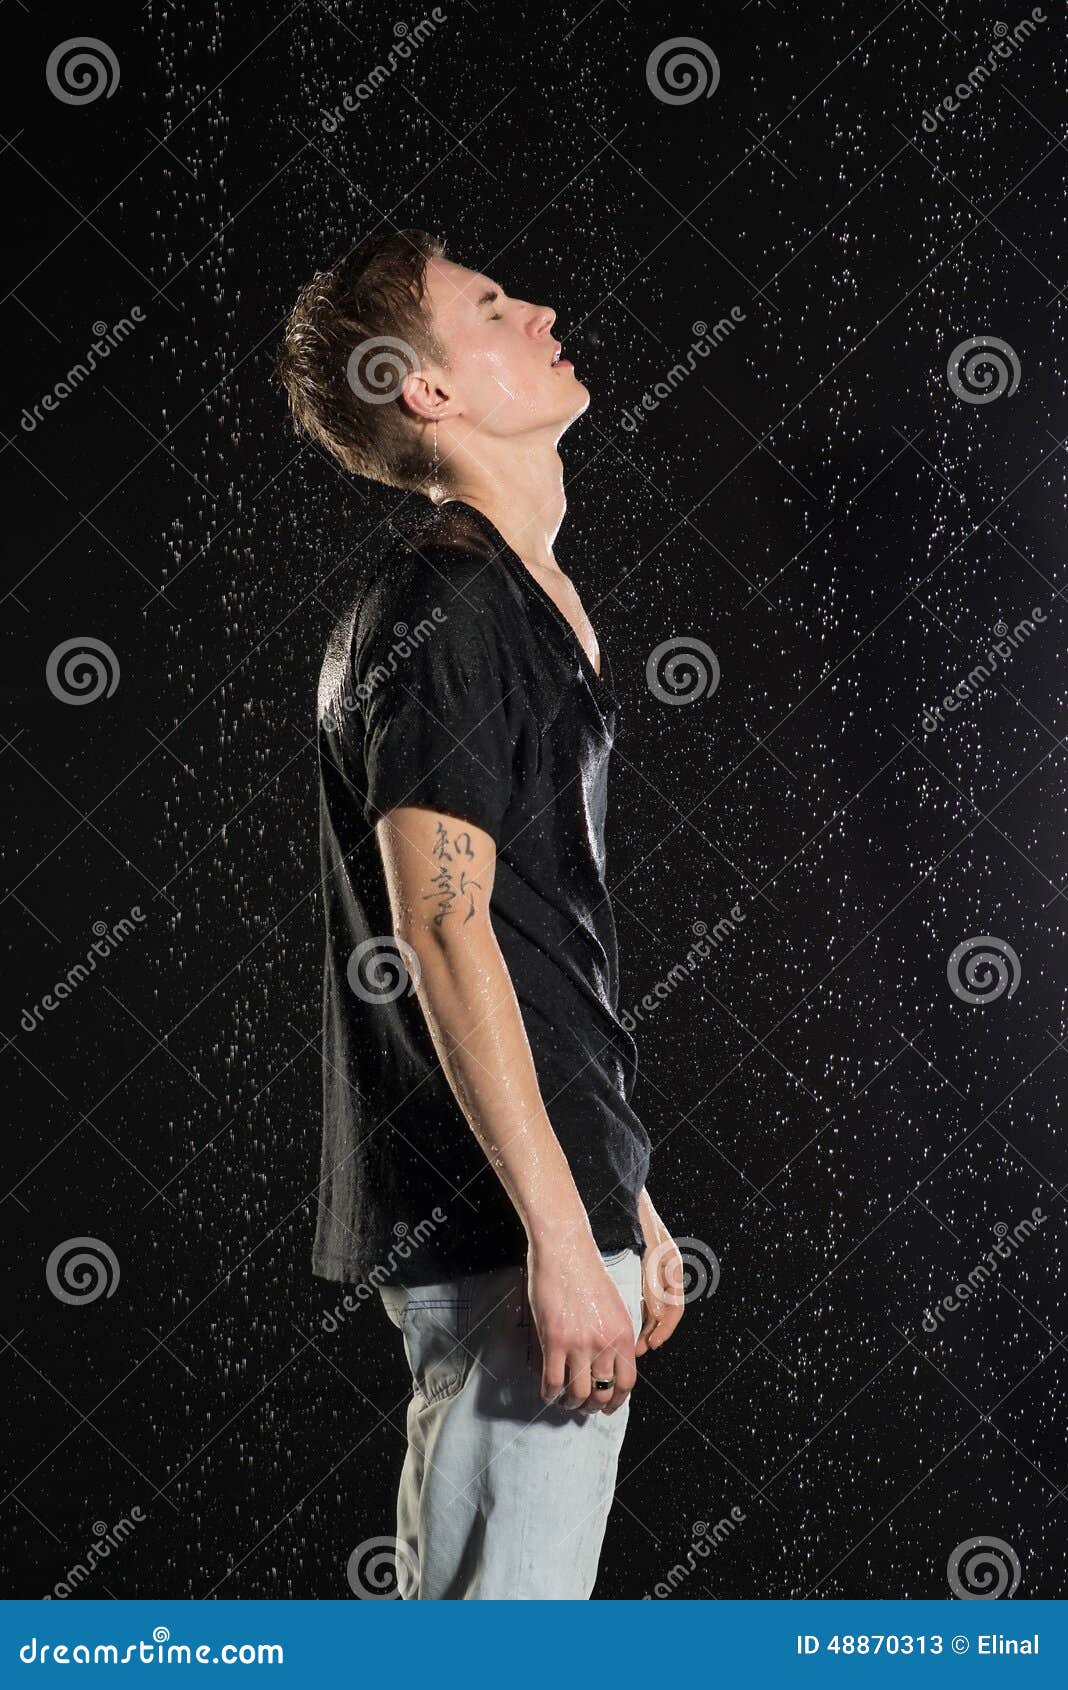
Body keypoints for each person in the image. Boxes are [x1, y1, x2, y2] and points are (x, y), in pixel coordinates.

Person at [277, 229, 685, 1599]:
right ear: (430, 392)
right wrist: (563, 1236)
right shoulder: (444, 605)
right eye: (495, 308)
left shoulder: (521, 601)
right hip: (512, 1234)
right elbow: (439, 933)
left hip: (555, 1205)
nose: (543, 309)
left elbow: (535, 930)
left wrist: (620, 1187)